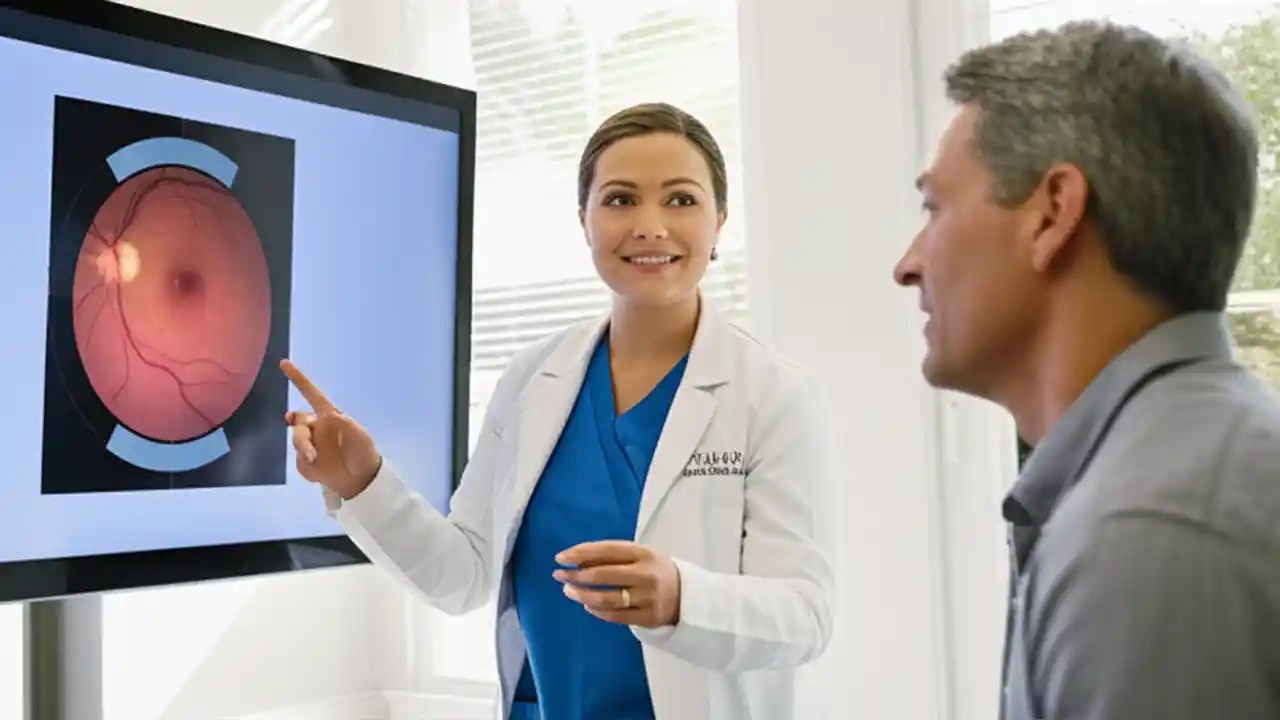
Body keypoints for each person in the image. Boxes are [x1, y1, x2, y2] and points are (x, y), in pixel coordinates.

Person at [281, 102, 835, 720]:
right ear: (584, 220)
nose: (651, 225)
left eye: (681, 200)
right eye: (620, 199)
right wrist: (363, 484)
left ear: (720, 221)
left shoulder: (770, 395)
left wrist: (681, 597)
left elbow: (804, 616)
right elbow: (461, 574)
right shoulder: (532, 381)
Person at [894, 19, 1280, 720]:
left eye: (935, 207)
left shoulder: (1152, 536)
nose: (908, 263)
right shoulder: (1194, 465)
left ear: (1053, 214)